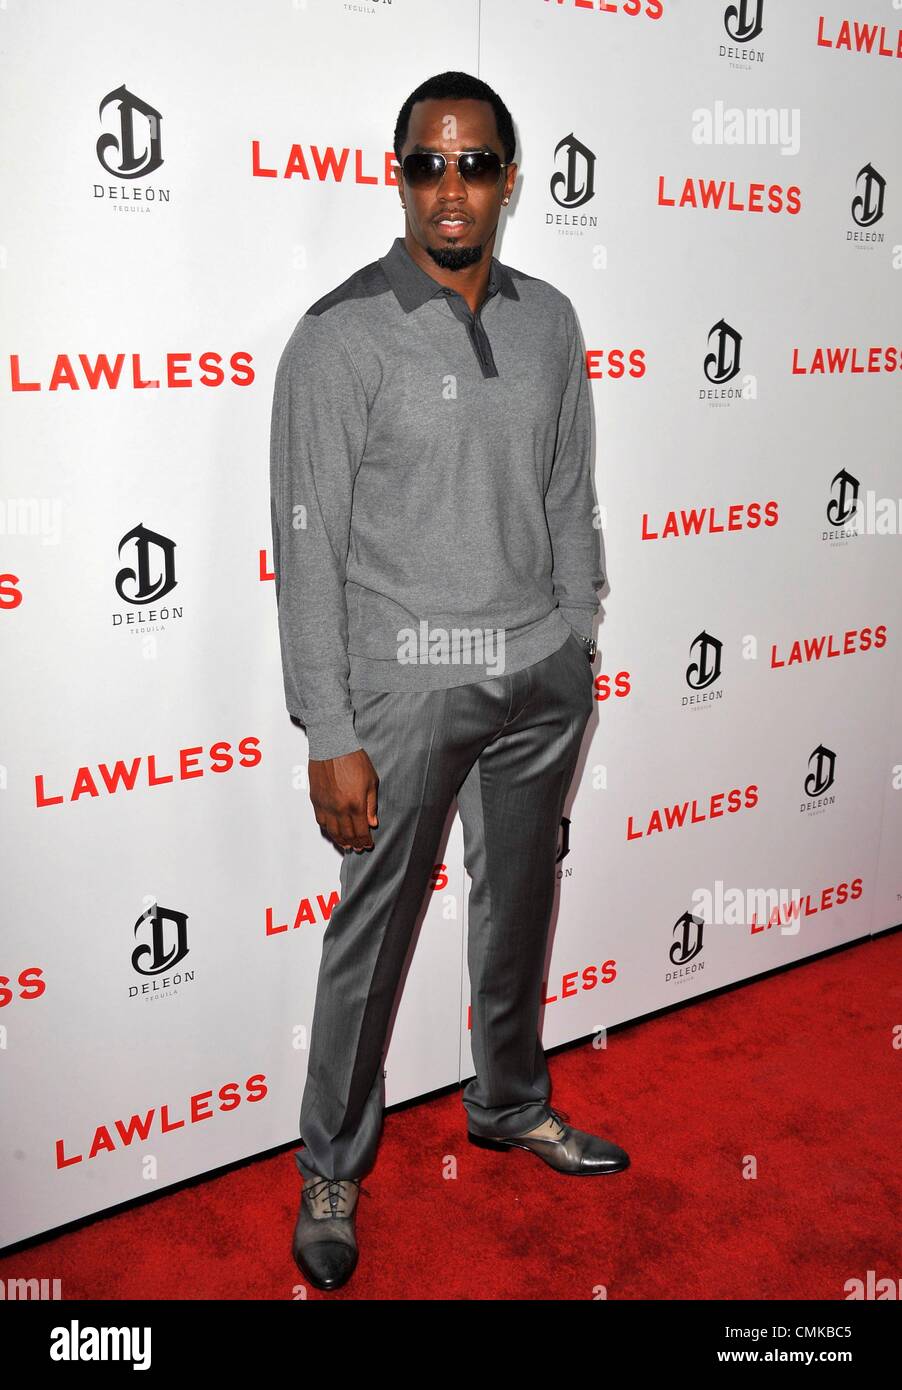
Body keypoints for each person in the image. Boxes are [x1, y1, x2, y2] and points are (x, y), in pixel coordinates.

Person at [269, 70, 629, 1294]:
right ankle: (331, 1165)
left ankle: (508, 1103)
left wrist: (573, 631)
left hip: (536, 670)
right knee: (372, 935)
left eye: (474, 164)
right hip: (406, 682)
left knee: (517, 904)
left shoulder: (550, 320)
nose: (450, 188)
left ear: (510, 179)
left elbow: (567, 490)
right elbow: (307, 543)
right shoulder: (340, 332)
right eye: (427, 164)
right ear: (399, 176)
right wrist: (330, 723)